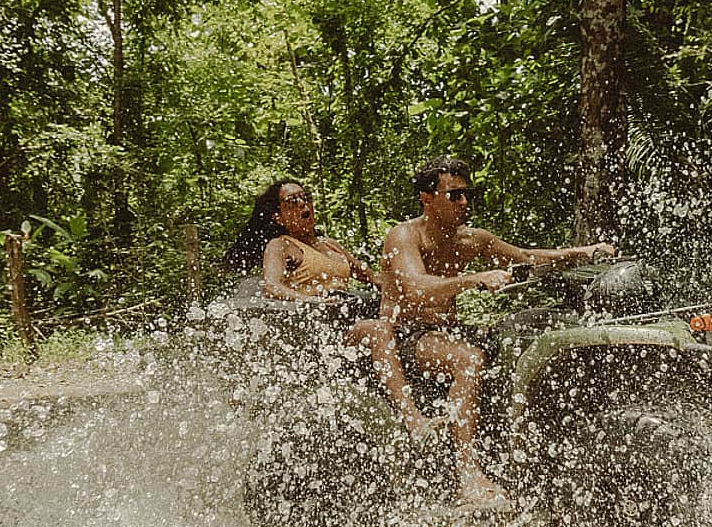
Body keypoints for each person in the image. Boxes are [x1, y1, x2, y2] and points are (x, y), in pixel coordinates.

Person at [353, 156, 615, 509]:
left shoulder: (472, 239)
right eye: (455, 195)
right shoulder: (404, 236)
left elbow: (526, 257)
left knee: (521, 338)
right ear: (426, 198)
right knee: (469, 359)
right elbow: (416, 287)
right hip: (408, 337)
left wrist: (585, 252)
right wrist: (474, 279)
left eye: (467, 195)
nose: (465, 203)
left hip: (449, 331)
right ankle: (469, 476)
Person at [223, 179, 380, 301]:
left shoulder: (331, 245)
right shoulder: (281, 245)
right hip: (312, 321)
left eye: (305, 197)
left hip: (344, 317)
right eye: (292, 201)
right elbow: (272, 287)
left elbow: (373, 278)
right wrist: (312, 301)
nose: (302, 203)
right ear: (279, 218)